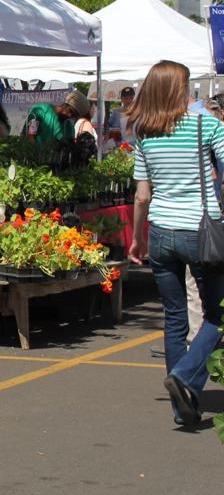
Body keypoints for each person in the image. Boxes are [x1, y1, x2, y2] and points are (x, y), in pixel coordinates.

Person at [128, 60, 224, 428]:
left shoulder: (144, 134)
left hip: (161, 233)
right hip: (201, 232)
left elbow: (141, 195)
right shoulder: (206, 124)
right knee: (217, 314)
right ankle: (186, 376)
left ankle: (181, 405)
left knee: (174, 319)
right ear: (179, 90)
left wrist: (137, 239)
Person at [23, 90, 88, 144]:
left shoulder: (68, 126)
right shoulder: (40, 111)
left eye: (74, 115)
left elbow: (69, 145)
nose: (70, 115)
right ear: (66, 104)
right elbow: (30, 137)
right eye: (70, 111)